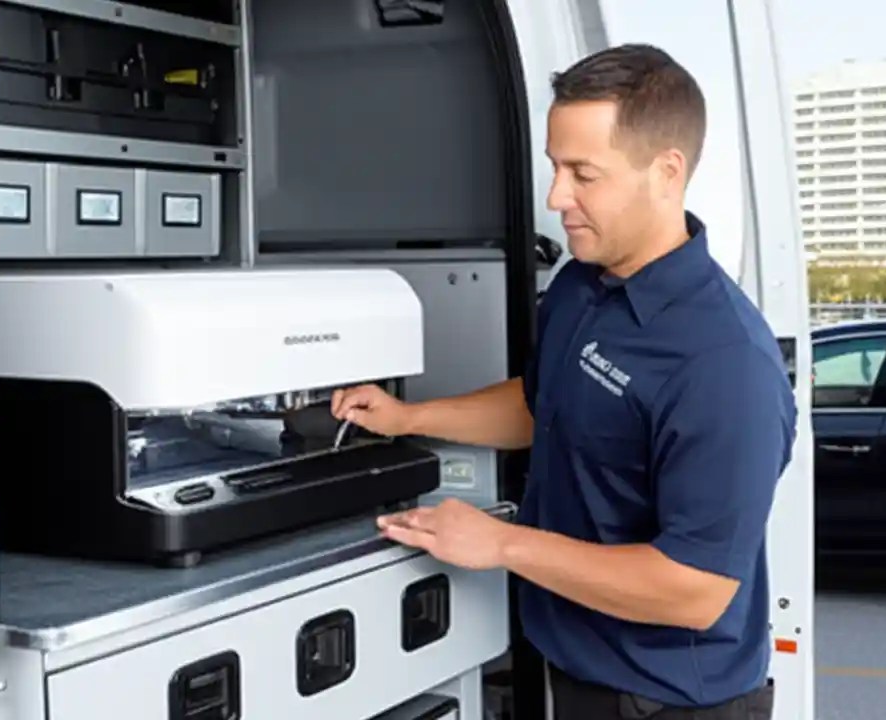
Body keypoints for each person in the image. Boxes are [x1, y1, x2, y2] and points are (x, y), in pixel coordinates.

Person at [331, 43, 796, 720]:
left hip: (668, 703)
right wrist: (408, 418)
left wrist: (502, 543)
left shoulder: (724, 362)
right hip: (571, 666)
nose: (557, 198)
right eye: (555, 167)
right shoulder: (583, 284)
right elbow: (542, 406)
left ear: (666, 173)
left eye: (583, 174)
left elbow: (693, 590)